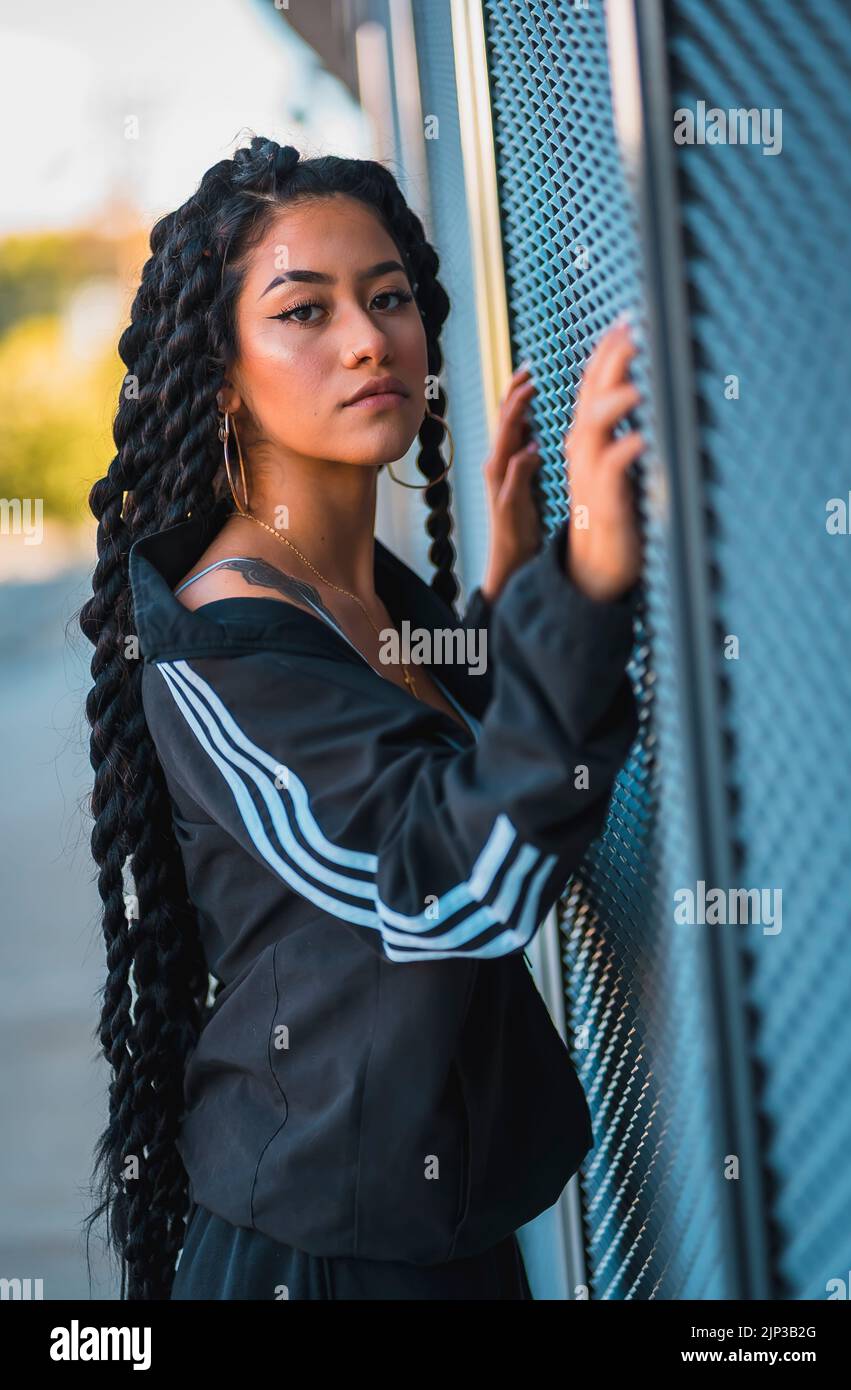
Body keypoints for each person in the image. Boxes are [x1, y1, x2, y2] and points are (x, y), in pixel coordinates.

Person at [78, 136, 644, 1301]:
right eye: (303, 309)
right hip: (321, 1257)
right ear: (221, 369)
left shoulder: (371, 593)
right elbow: (450, 887)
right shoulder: (220, 649)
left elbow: (433, 766)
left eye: (388, 297)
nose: (365, 339)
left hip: (442, 1235)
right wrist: (584, 590)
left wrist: (503, 606)